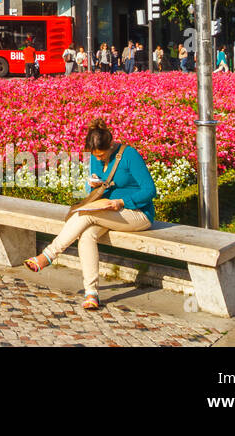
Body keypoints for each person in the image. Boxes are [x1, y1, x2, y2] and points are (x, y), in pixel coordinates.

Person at [24, 118, 156, 310]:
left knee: (85, 215)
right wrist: (92, 183)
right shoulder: (94, 157)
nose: (100, 159)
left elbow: (150, 190)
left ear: (111, 144)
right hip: (106, 211)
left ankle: (48, 255)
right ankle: (91, 293)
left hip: (137, 214)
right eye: (96, 156)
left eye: (102, 156)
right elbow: (93, 187)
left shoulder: (130, 155)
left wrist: (122, 202)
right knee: (86, 236)